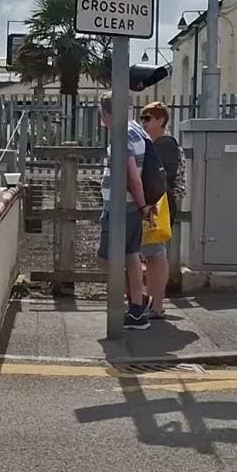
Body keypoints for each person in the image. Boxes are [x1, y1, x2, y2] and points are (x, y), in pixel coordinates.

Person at [97, 92, 156, 330]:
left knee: (105, 260)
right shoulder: (137, 131)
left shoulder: (121, 137)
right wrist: (143, 206)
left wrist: (142, 206)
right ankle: (137, 306)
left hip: (122, 207)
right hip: (132, 207)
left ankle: (133, 301)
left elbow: (132, 176)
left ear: (106, 113)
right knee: (132, 254)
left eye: (101, 113)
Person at [139, 102, 185, 319]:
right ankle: (154, 303)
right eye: (142, 118)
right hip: (160, 207)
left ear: (160, 120)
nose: (144, 123)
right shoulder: (160, 143)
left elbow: (160, 179)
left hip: (157, 208)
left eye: (147, 118)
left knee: (156, 256)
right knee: (153, 256)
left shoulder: (164, 144)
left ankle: (157, 305)